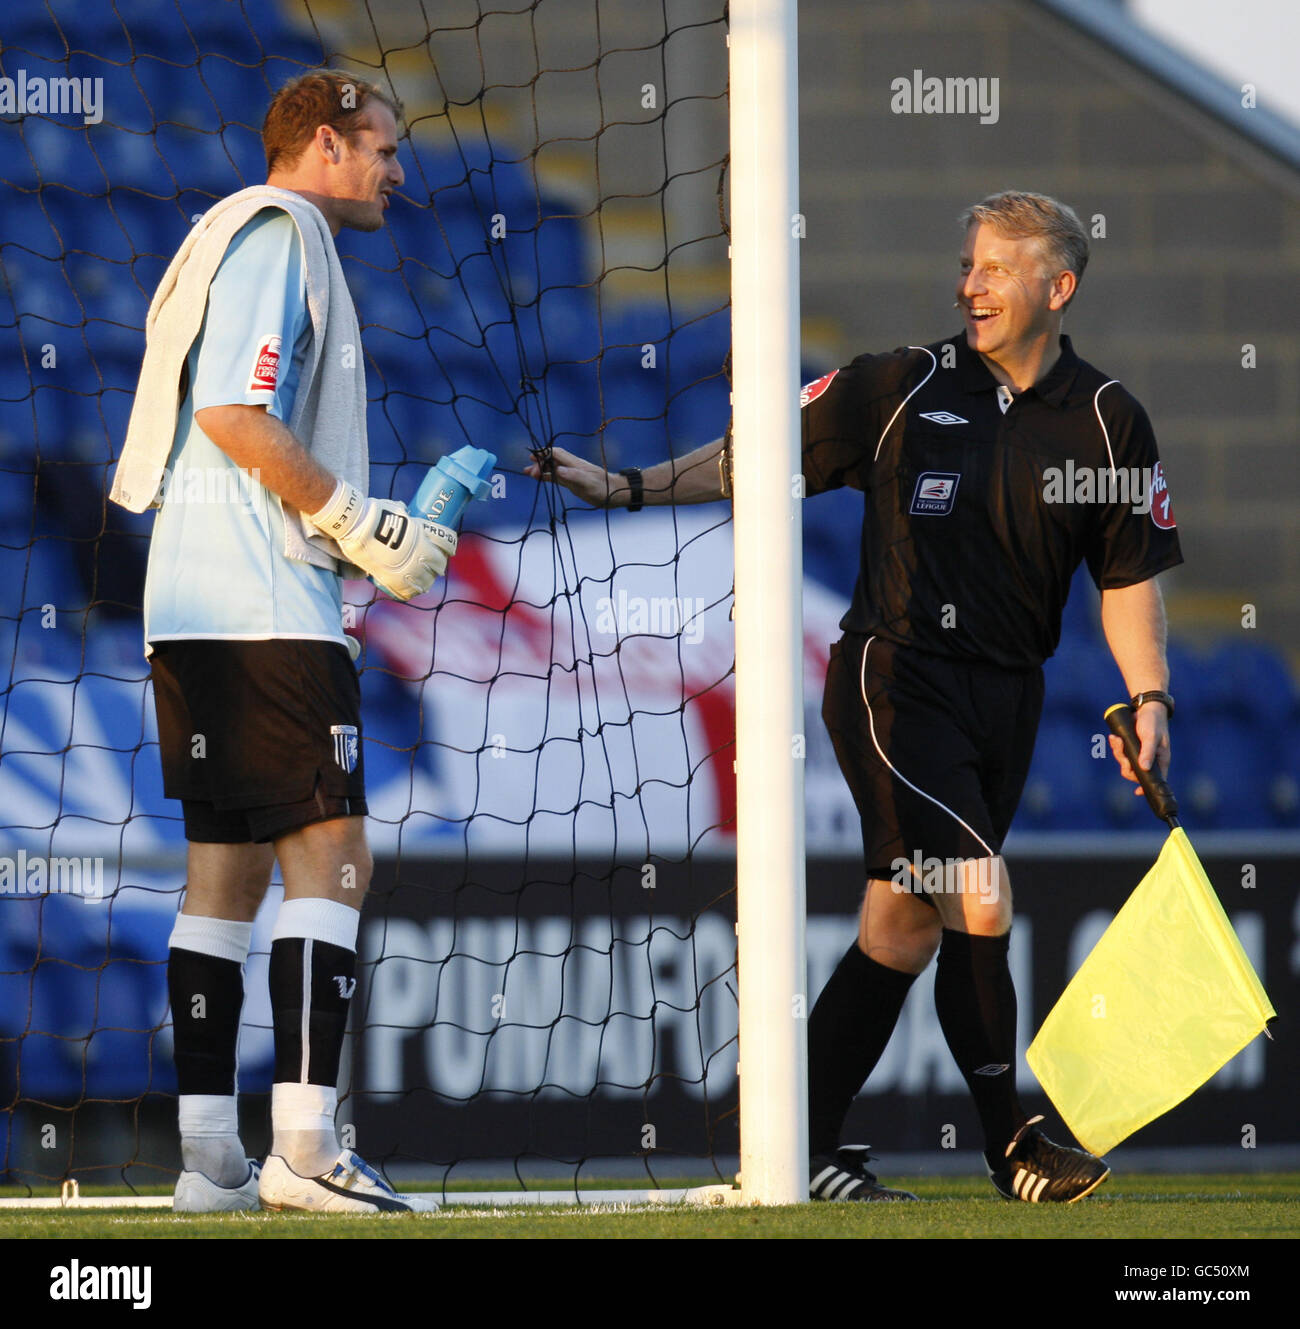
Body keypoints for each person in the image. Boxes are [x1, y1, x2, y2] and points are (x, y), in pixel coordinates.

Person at [528, 190, 1182, 1202]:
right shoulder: (901, 385)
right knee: (974, 888)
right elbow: (756, 456)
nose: (970, 283)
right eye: (967, 263)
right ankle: (1013, 1142)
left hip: (1005, 703)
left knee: (901, 926)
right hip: (895, 680)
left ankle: (801, 1146)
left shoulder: (1107, 422)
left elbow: (1129, 576)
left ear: (1058, 288)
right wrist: (631, 490)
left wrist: (1150, 700)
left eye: (995, 268)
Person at [111, 71, 456, 1213]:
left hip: (193, 607)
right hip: (263, 607)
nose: (396, 171)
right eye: (383, 149)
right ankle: (306, 1148)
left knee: (224, 875)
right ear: (325, 144)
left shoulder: (222, 233)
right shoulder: (282, 228)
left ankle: (209, 1162)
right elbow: (231, 412)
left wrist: (357, 535)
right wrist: (357, 522)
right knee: (336, 857)